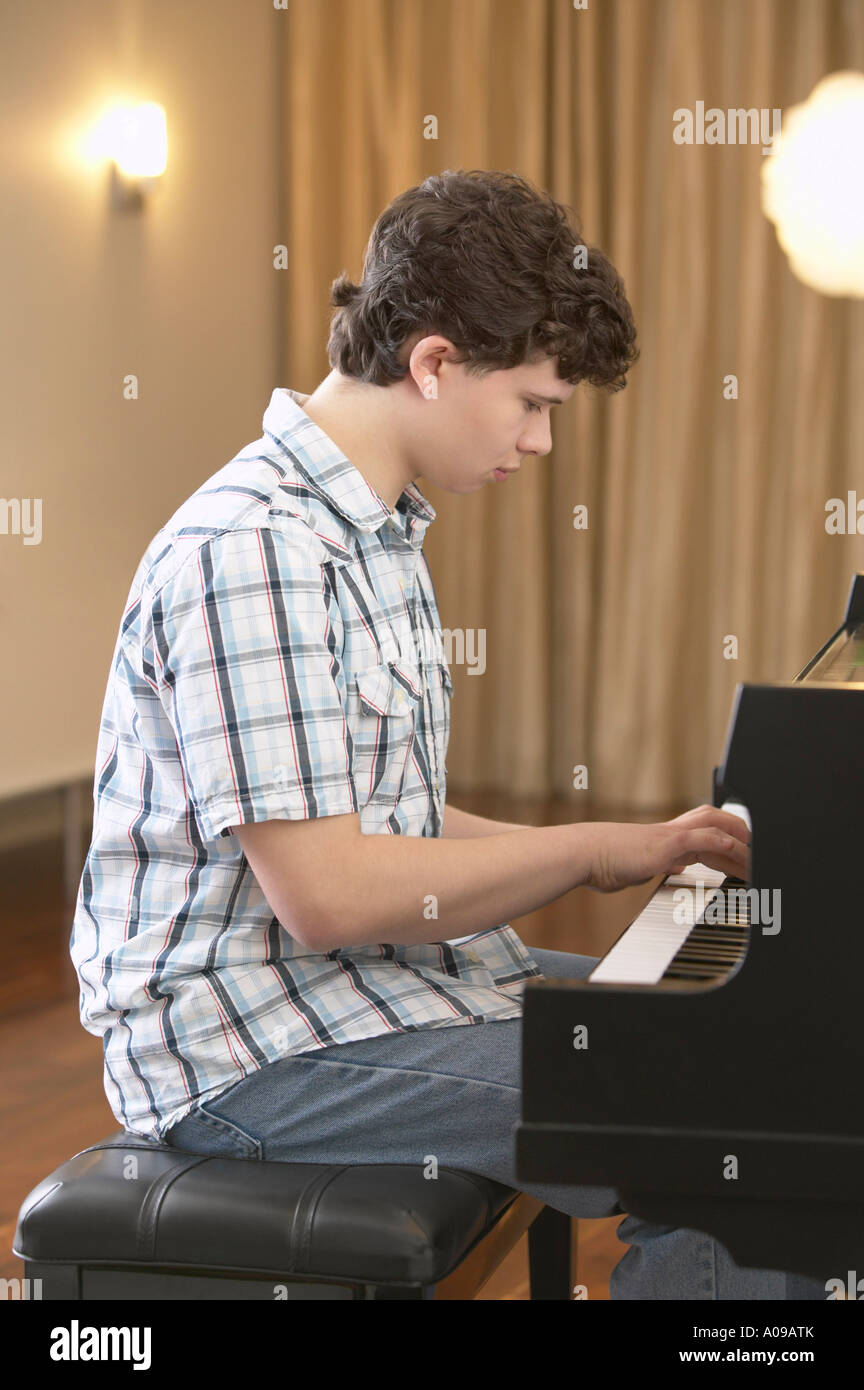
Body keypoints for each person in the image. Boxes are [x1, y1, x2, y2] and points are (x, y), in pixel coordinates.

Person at [69, 168, 824, 1299]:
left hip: (371, 990)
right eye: (533, 404)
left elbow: (389, 818)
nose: (539, 443)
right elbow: (328, 893)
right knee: (704, 1100)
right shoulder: (255, 551)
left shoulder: (376, 532)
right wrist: (586, 851)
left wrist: (627, 838)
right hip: (255, 1046)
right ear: (432, 362)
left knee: (765, 1057)